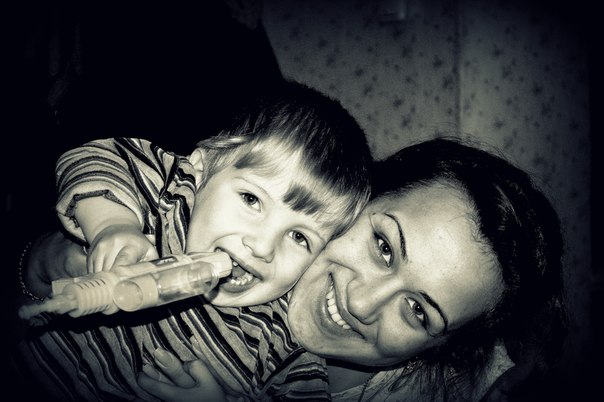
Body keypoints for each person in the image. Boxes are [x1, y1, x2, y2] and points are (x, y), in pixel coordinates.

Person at [12, 137, 566, 401]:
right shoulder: (220, 213)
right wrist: (58, 254)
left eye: (419, 311)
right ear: (353, 200)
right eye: (383, 246)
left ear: (437, 348)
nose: (361, 303)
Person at [36, 80, 372, 308]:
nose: (263, 247)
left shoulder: (275, 329)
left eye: (299, 237)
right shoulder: (169, 196)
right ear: (199, 169)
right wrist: (112, 224)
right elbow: (93, 159)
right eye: (251, 199)